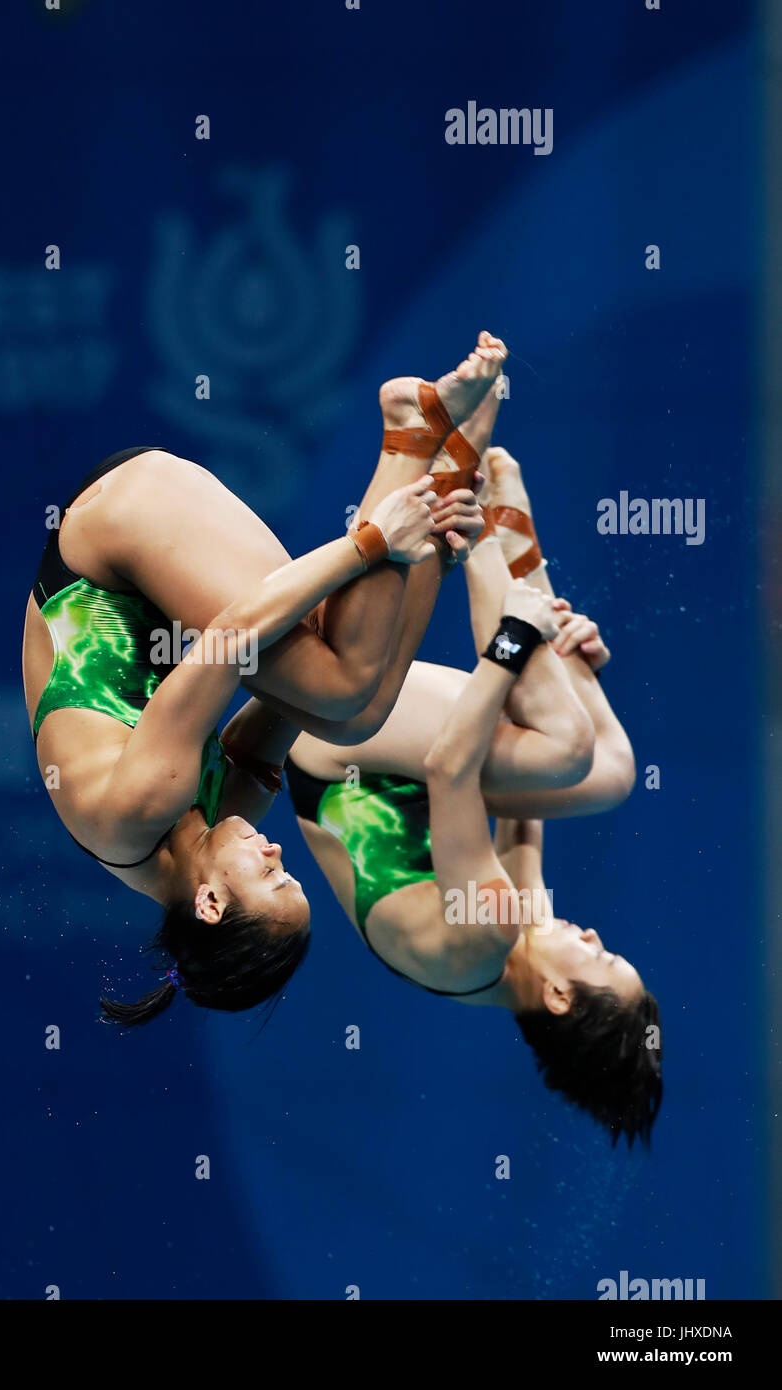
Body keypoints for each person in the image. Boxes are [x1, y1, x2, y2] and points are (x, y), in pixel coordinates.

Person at [22, 336, 506, 1024]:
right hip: (139, 550)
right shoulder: (215, 824)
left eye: (272, 876)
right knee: (350, 712)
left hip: (116, 523)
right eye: (289, 870)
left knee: (340, 691)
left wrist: (367, 544)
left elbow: (230, 642)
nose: (279, 851)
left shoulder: (138, 808)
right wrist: (428, 560)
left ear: (211, 903)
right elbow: (306, 703)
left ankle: (412, 432)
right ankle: (440, 488)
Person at [284, 446, 662, 1146]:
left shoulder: (485, 938)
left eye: (602, 957)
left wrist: (519, 642)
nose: (593, 935)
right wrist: (569, 668)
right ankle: (507, 531)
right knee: (604, 768)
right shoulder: (512, 950)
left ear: (558, 996)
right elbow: (522, 805)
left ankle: (489, 518)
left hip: (341, 757)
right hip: (393, 769)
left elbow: (451, 766)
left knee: (567, 749)